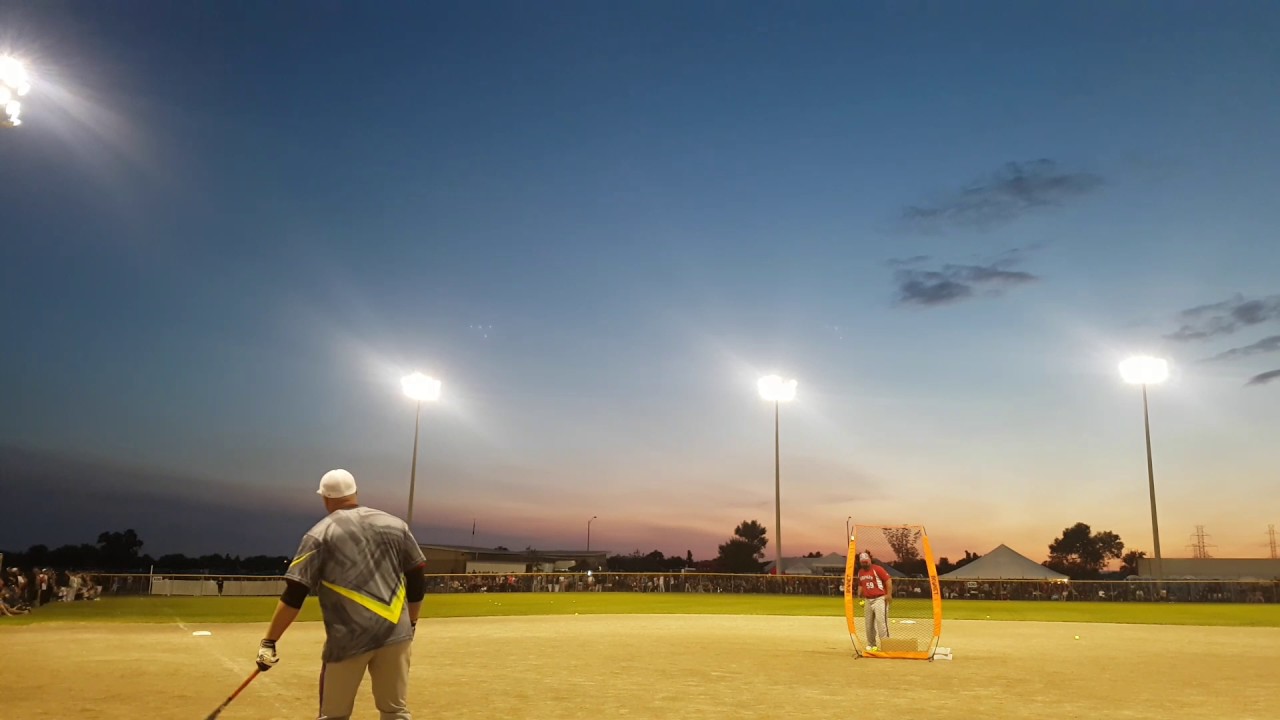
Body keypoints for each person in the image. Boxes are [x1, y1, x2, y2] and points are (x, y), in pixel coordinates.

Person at [254, 469, 427, 720]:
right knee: (395, 711)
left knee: (333, 716)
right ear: (355, 493)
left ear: (325, 498)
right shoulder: (395, 525)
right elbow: (417, 575)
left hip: (348, 640)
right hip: (396, 635)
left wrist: (269, 641)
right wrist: (410, 622)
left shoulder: (319, 534)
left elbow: (295, 593)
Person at [854, 552, 892, 651]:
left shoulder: (877, 569)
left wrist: (889, 594)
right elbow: (861, 585)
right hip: (867, 599)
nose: (865, 564)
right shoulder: (860, 572)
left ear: (870, 560)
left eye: (866, 561)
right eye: (863, 562)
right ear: (860, 562)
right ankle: (871, 644)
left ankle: (886, 646)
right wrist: (859, 595)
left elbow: (888, 580)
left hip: (879, 598)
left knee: (881, 623)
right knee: (868, 624)